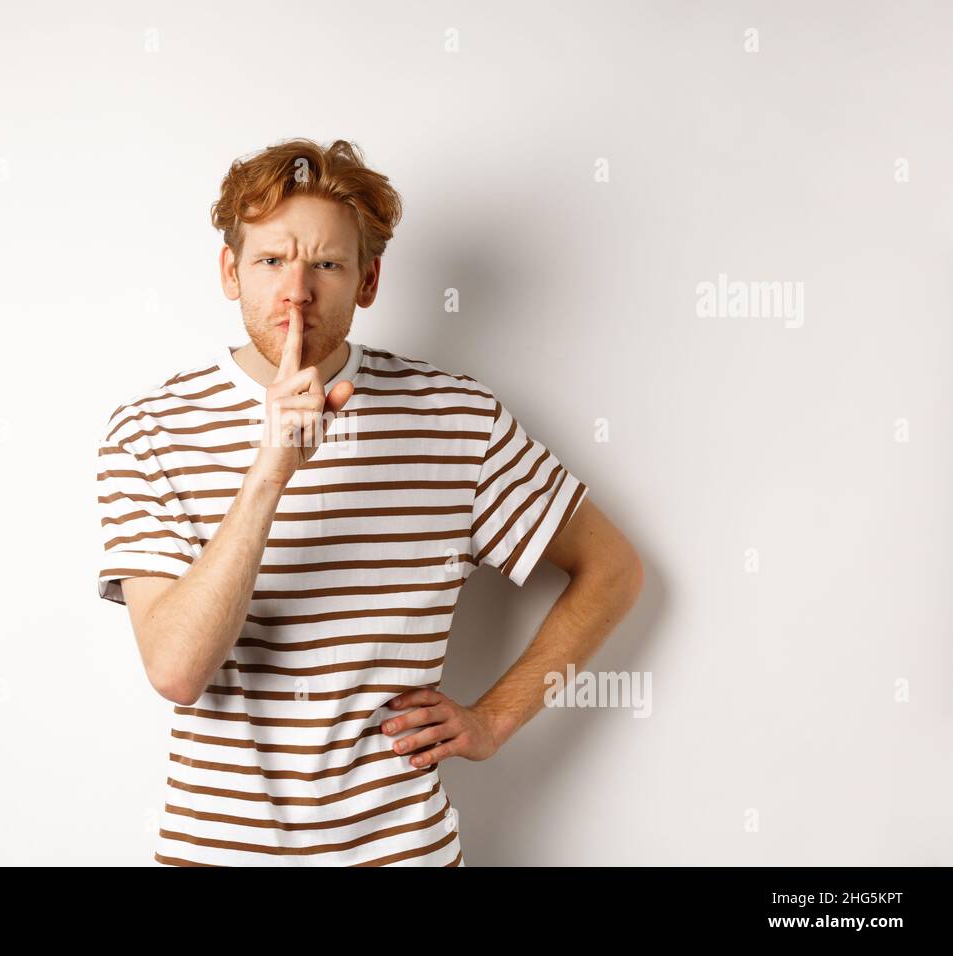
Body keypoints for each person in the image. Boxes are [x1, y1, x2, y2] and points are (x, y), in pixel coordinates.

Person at [96, 138, 643, 866]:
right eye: (270, 261)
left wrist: (493, 720)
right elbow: (176, 670)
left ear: (368, 280)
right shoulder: (151, 430)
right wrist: (271, 472)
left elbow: (611, 569)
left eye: (325, 263)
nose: (296, 292)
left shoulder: (457, 418)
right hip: (215, 854)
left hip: (400, 852)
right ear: (230, 271)